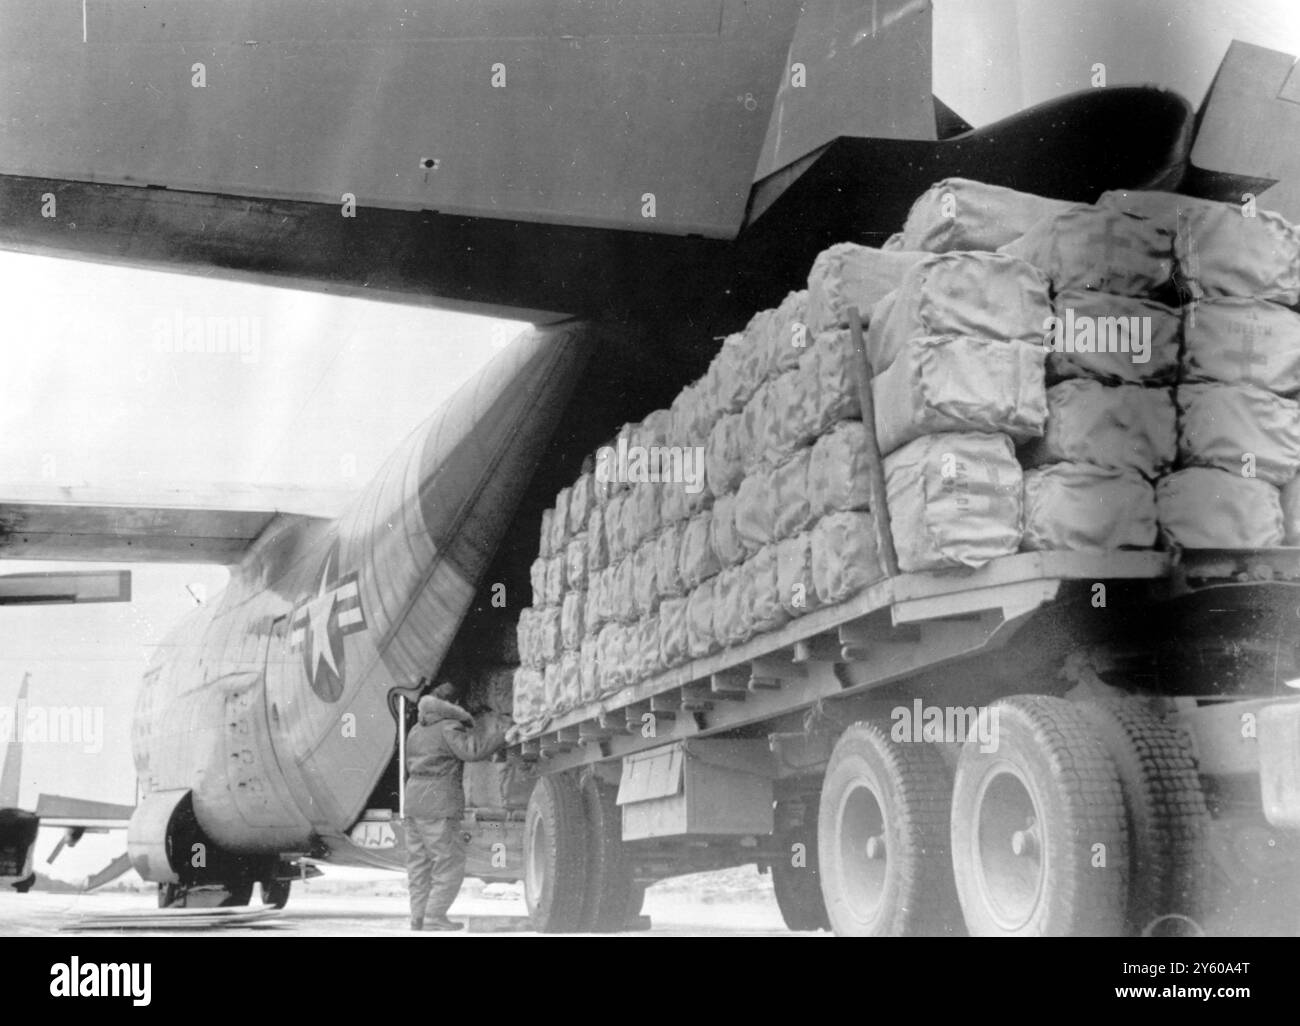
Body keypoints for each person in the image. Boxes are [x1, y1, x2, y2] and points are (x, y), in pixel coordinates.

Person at [403, 683, 506, 931]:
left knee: (419, 864)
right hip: (438, 804)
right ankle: (434, 916)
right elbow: (473, 751)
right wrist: (504, 735)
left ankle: (418, 917)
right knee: (448, 861)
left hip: (414, 802)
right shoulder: (449, 727)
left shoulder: (416, 730)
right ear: (454, 705)